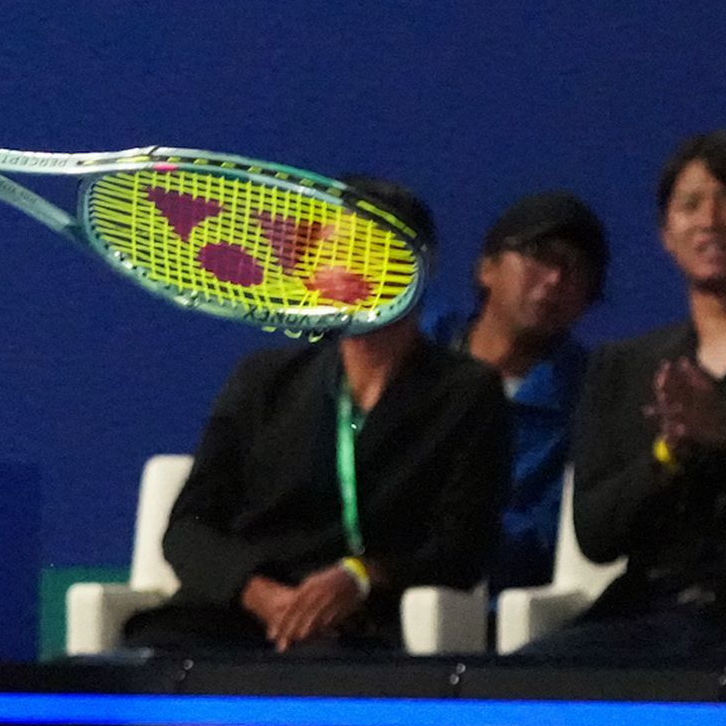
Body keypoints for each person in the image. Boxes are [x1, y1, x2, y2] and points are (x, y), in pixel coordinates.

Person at [122, 179, 512, 653]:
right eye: (331, 253)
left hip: (365, 619)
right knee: (131, 664)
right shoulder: (263, 379)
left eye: (367, 252)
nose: (345, 268)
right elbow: (188, 530)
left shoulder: (467, 392)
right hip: (240, 611)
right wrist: (260, 595)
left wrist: (362, 576)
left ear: (419, 267)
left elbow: (463, 547)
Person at [521, 131, 726, 664]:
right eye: (690, 205)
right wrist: (666, 456)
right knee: (521, 680)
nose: (710, 220)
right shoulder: (621, 366)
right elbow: (596, 536)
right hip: (649, 613)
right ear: (666, 234)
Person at [425, 191, 605, 588]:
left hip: (483, 600)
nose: (556, 279)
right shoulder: (413, 346)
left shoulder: (591, 398)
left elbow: (542, 537)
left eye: (577, 269)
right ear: (486, 267)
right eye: (539, 255)